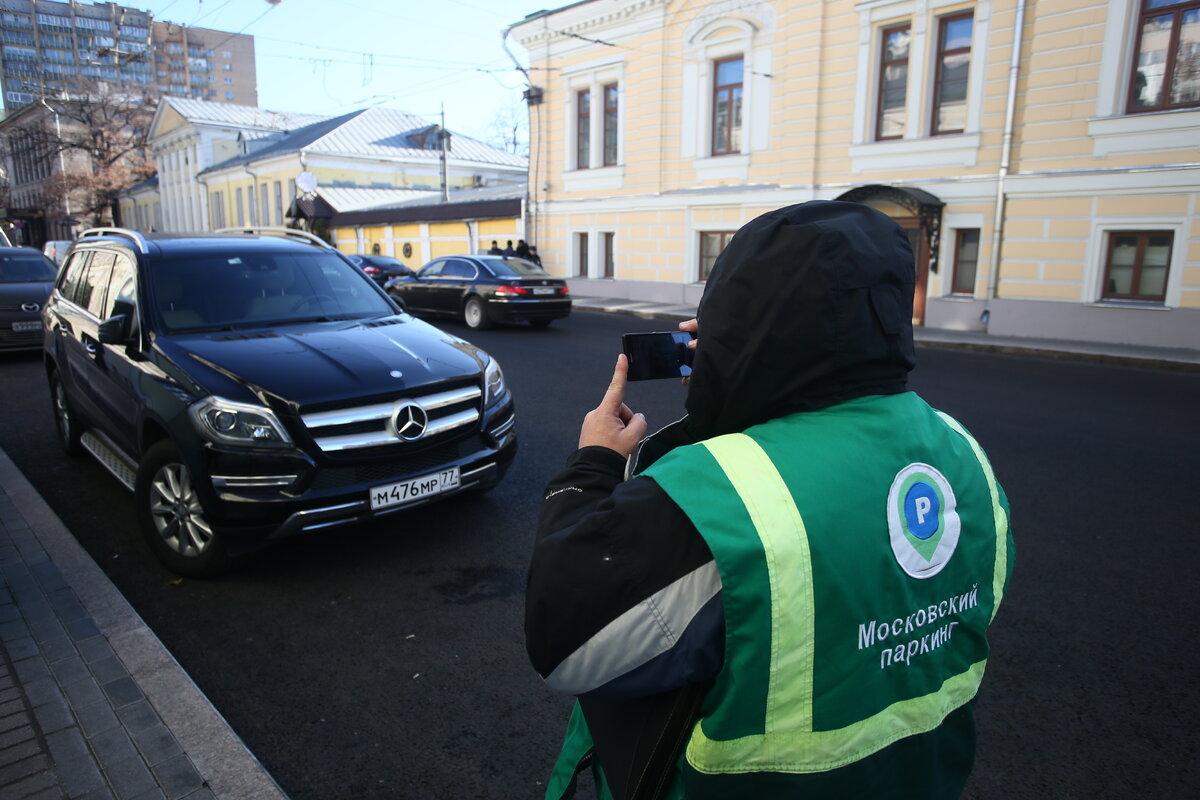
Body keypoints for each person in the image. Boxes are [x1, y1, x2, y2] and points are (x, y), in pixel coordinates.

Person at [526, 200, 1014, 800]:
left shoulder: (723, 499)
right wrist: (735, 384)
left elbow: (563, 642)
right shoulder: (964, 454)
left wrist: (593, 462)